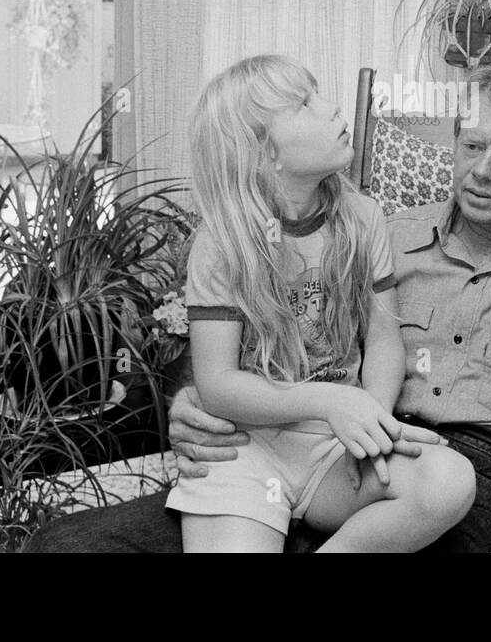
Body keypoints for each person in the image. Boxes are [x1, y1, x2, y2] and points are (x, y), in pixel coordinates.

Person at [23, 65, 491, 553]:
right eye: (470, 146)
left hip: (474, 472)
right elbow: (257, 346)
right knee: (68, 546)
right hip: (313, 443)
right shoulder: (383, 227)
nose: (482, 171)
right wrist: (196, 400)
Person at [168, 55, 475, 551]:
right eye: (306, 104)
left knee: (449, 480)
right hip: (244, 451)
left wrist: (369, 425)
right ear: (264, 153)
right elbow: (218, 385)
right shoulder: (221, 244)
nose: (333, 110)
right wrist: (333, 400)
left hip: (336, 453)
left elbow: (382, 342)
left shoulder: (362, 218)